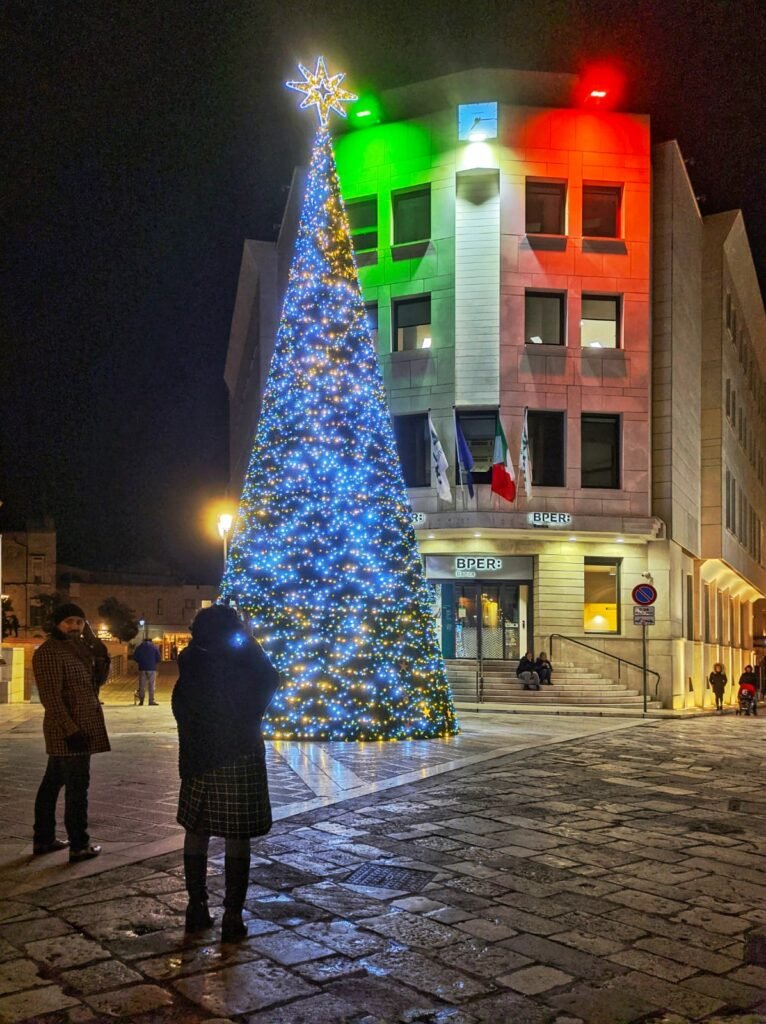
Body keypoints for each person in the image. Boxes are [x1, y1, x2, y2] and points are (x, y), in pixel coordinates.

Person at [172, 604, 279, 942]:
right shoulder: (245, 661)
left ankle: (196, 906)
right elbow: (270, 680)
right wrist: (250, 641)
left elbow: (181, 709)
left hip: (199, 757)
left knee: (197, 829)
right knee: (237, 835)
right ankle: (233, 913)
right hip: (239, 755)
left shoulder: (192, 663)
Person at [32, 603, 110, 861]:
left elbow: (93, 685)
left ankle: (44, 839)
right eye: (69, 622)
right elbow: (51, 698)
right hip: (68, 730)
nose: (75, 627)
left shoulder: (77, 649)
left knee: (52, 783)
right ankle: (79, 844)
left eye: (79, 621)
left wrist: (101, 658)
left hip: (80, 726)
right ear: (56, 623)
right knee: (77, 787)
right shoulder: (49, 652)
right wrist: (71, 730)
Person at [132, 637, 161, 705]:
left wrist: (140, 662)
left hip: (142, 668)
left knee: (142, 685)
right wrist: (153, 662)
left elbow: (135, 657)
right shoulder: (154, 647)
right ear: (151, 641)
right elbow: (159, 658)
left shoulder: (139, 647)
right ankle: (151, 701)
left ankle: (141, 701)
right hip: (151, 668)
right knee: (151, 685)